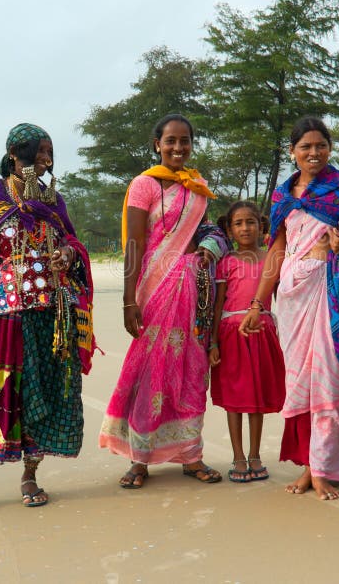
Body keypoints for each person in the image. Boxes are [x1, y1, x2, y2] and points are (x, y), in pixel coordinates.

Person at [0, 122, 97, 517]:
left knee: (42, 395)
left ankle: (30, 475)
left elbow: (72, 244)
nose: (45, 161)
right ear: (15, 155)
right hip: (3, 317)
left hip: (50, 317)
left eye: (49, 154)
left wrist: (69, 254)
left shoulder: (53, 201)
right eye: (37, 154)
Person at [239, 117, 339, 501]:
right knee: (302, 382)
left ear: (329, 148)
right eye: (305, 147)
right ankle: (310, 462)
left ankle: (319, 469)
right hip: (291, 297)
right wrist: (258, 303)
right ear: (292, 152)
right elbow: (275, 249)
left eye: (320, 145)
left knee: (331, 377)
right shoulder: (282, 196)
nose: (314, 153)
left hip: (333, 292)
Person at [99, 114, 229, 488]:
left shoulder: (198, 186)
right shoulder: (144, 184)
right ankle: (139, 459)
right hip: (154, 290)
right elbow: (135, 244)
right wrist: (128, 301)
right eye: (170, 140)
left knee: (190, 371)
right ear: (157, 144)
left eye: (184, 141)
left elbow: (208, 232)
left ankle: (191, 455)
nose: (178, 147)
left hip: (192, 290)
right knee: (149, 371)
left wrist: (209, 247)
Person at [209, 201, 286, 482]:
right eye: (238, 223)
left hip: (263, 333)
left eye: (250, 222)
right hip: (231, 335)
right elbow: (218, 306)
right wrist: (213, 343)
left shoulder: (272, 258)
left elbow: (283, 299)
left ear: (261, 226)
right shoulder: (225, 262)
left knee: (257, 397)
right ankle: (238, 456)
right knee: (234, 398)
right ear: (229, 229)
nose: (245, 228)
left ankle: (255, 455)